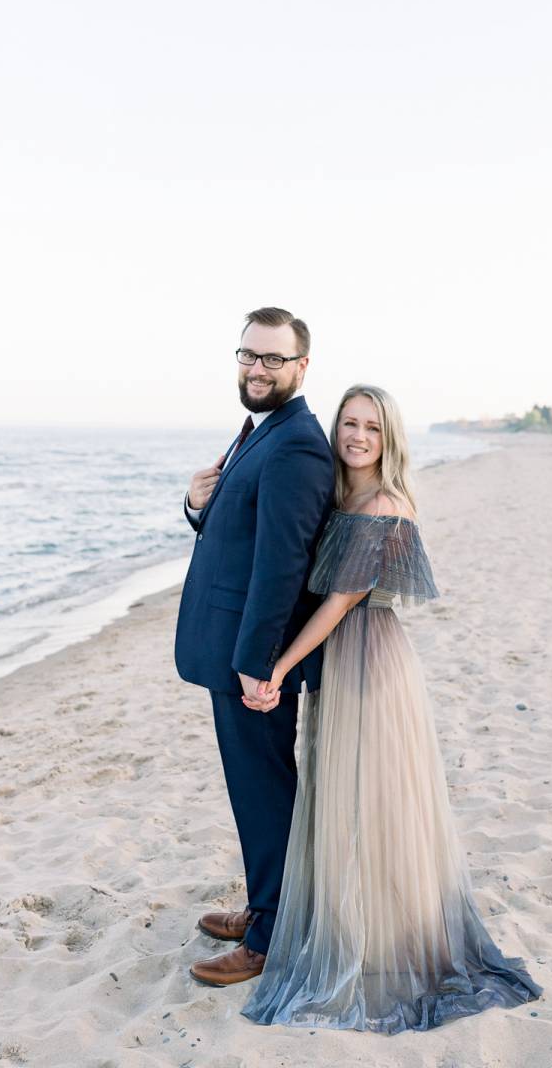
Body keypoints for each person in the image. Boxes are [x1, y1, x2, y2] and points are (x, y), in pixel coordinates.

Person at [239, 384, 544, 1034]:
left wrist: (279, 667)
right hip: (342, 661)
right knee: (344, 796)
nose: (357, 437)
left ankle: (379, 940)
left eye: (372, 428)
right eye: (349, 423)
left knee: (370, 798)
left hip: (369, 660)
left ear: (389, 439)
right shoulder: (341, 495)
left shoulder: (383, 503)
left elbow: (340, 602)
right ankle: (352, 921)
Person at [175, 307, 335, 986]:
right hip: (232, 648)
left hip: (252, 661)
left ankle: (271, 935)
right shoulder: (259, 430)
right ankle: (266, 904)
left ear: (302, 366)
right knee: (253, 789)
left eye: (273, 358)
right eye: (249, 355)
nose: (258, 369)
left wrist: (258, 664)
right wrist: (195, 503)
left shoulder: (297, 444)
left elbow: (281, 566)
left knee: (264, 790)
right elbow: (236, 532)